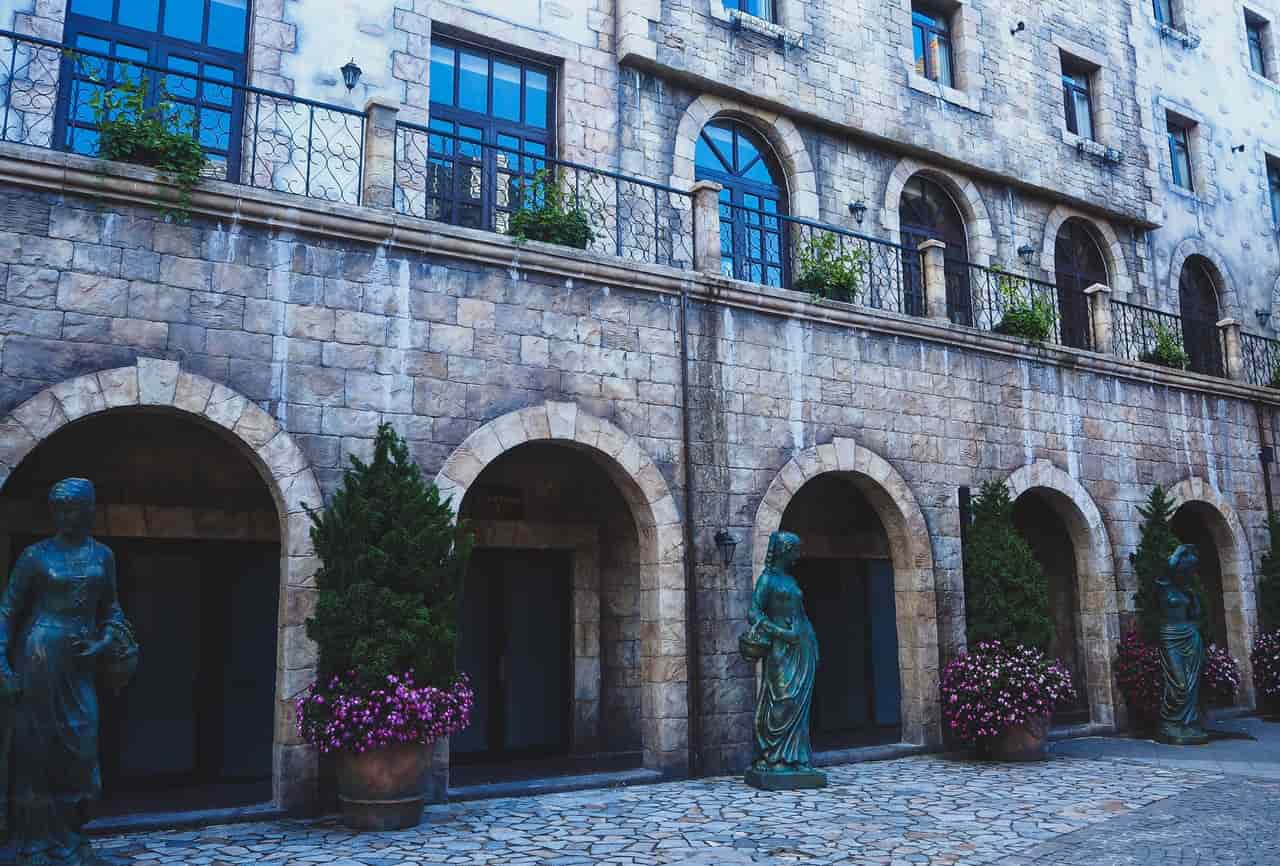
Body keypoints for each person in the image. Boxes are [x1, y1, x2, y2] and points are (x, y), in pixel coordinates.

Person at [0, 478, 127, 865]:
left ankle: (71, 838)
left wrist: (104, 642)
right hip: (40, 655)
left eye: (74, 508)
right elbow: (7, 611)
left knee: (82, 750)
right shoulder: (35, 556)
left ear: (90, 509)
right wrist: (3, 665)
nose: (66, 516)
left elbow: (113, 610)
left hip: (81, 663)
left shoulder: (103, 555)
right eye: (59, 509)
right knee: (38, 750)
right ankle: (38, 844)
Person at [743, 531, 824, 784]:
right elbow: (753, 611)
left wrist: (813, 643)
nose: (798, 556)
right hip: (781, 647)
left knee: (800, 703)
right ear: (784, 551)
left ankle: (795, 759)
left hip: (802, 646)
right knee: (783, 699)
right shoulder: (767, 579)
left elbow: (801, 614)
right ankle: (771, 756)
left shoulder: (790, 580)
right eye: (795, 551)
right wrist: (778, 631)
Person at [1156, 544, 1209, 746]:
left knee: (1192, 682)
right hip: (1170, 636)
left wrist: (1194, 599)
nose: (1186, 575)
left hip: (1190, 636)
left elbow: (1196, 615)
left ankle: (1187, 723)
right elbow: (1167, 567)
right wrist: (1180, 551)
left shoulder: (1187, 592)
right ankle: (1170, 722)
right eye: (1184, 570)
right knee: (1179, 683)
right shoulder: (1164, 586)